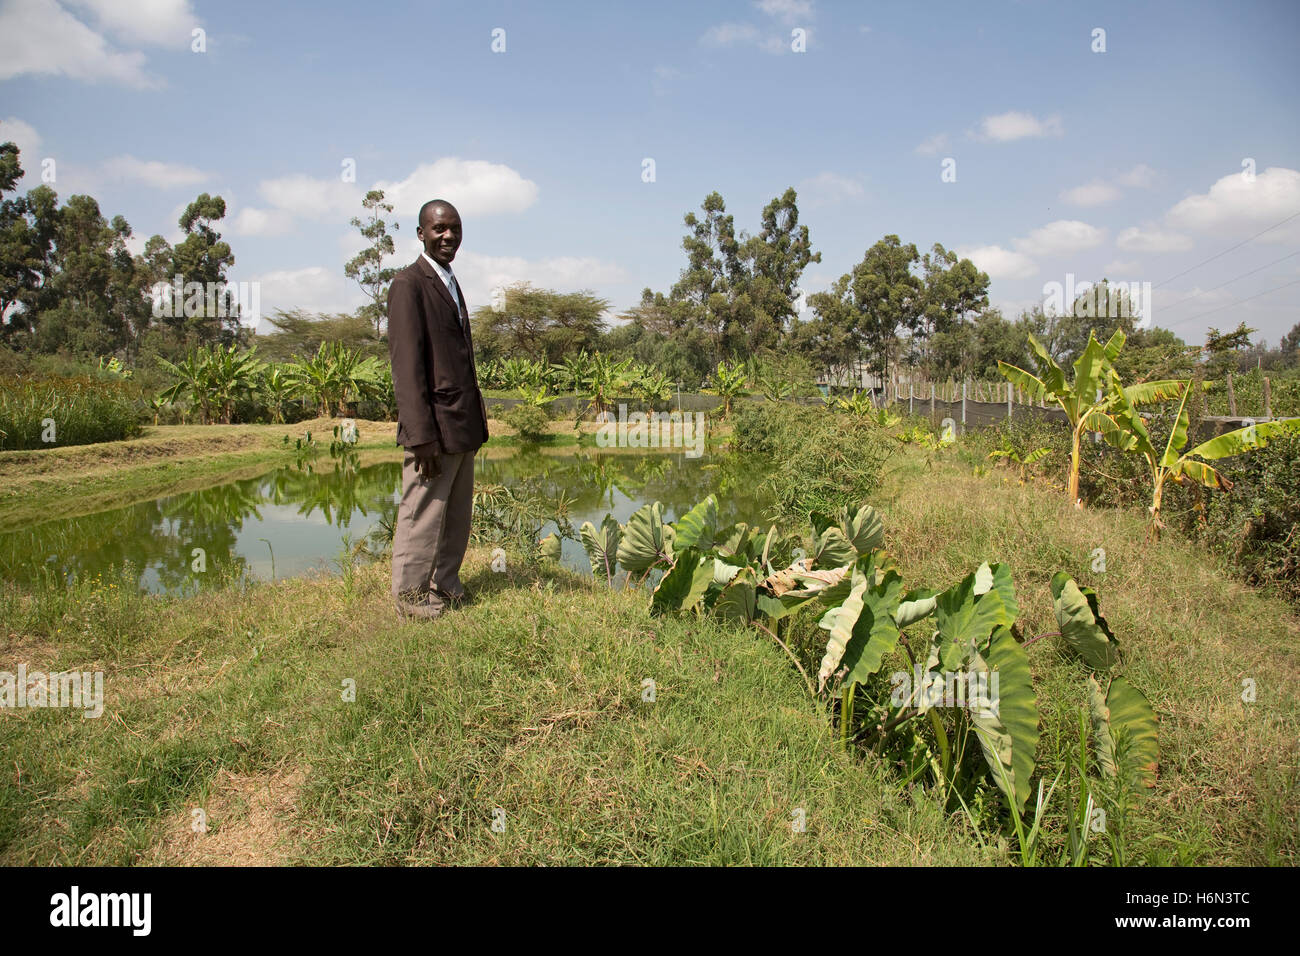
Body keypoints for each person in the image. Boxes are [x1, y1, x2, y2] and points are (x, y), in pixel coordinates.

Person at [386, 199, 489, 619]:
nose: (449, 236)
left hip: (461, 426)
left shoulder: (449, 280)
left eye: (455, 229)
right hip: (433, 430)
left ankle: (445, 583)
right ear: (421, 234)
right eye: (439, 229)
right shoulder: (408, 284)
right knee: (422, 516)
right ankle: (410, 600)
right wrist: (421, 436)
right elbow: (407, 368)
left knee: (456, 517)